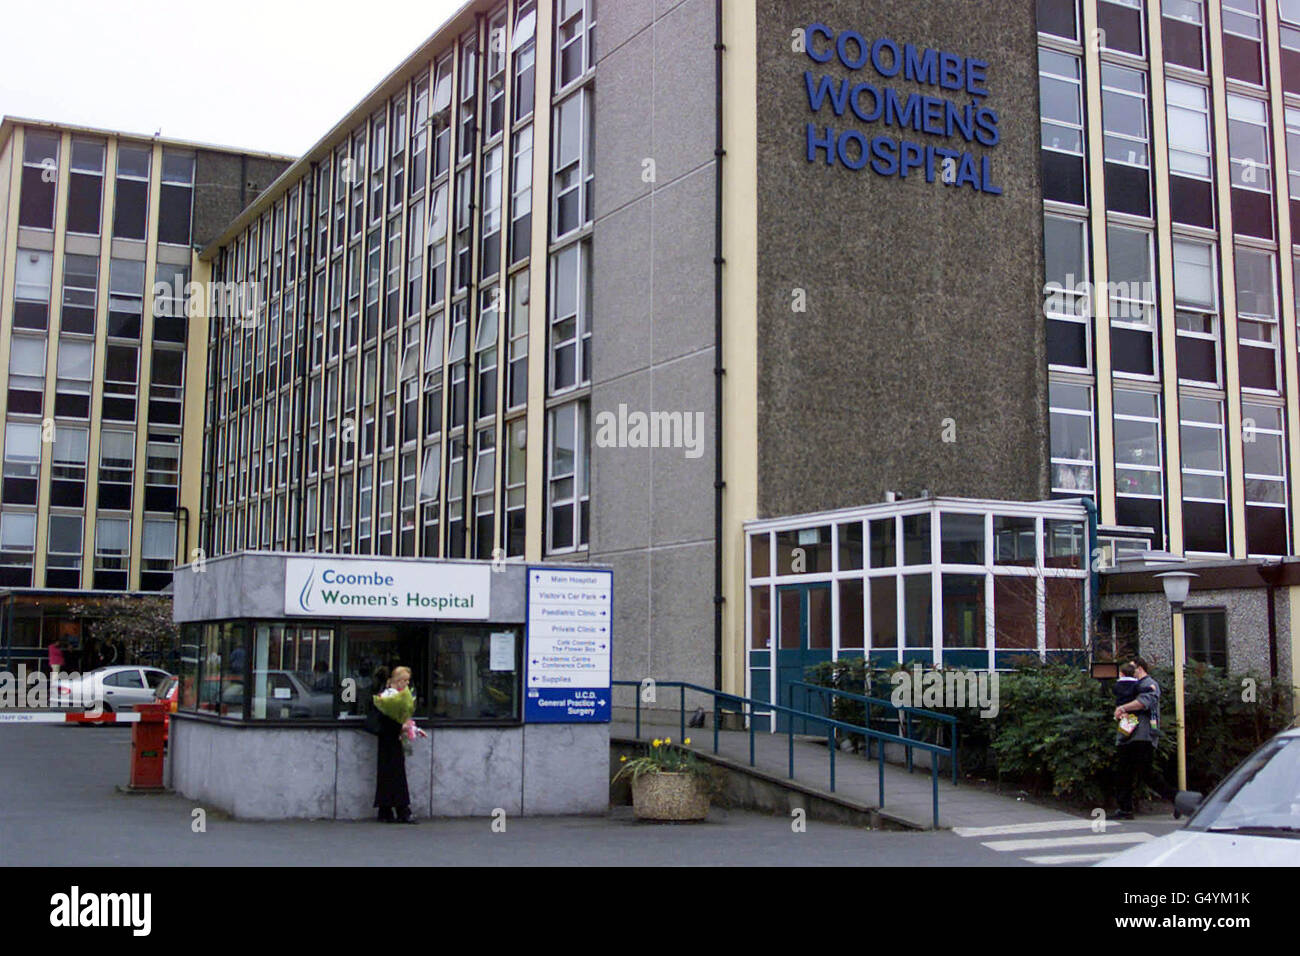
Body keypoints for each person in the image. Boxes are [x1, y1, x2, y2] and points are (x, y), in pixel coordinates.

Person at [1113, 656, 1160, 820]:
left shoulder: (1148, 684)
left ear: (1140, 668)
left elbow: (1143, 702)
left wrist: (1122, 707)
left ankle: (1178, 800)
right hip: (1129, 734)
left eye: (1132, 669)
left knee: (1146, 775)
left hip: (1143, 736)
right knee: (1123, 773)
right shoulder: (1133, 685)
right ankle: (1125, 809)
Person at [372, 666, 415, 824]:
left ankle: (386, 809)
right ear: (396, 680)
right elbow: (385, 720)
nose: (406, 684)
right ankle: (401, 810)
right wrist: (400, 726)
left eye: (408, 681)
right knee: (395, 774)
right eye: (404, 680)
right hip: (390, 739)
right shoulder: (389, 696)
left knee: (388, 774)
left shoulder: (394, 696)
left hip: (390, 739)